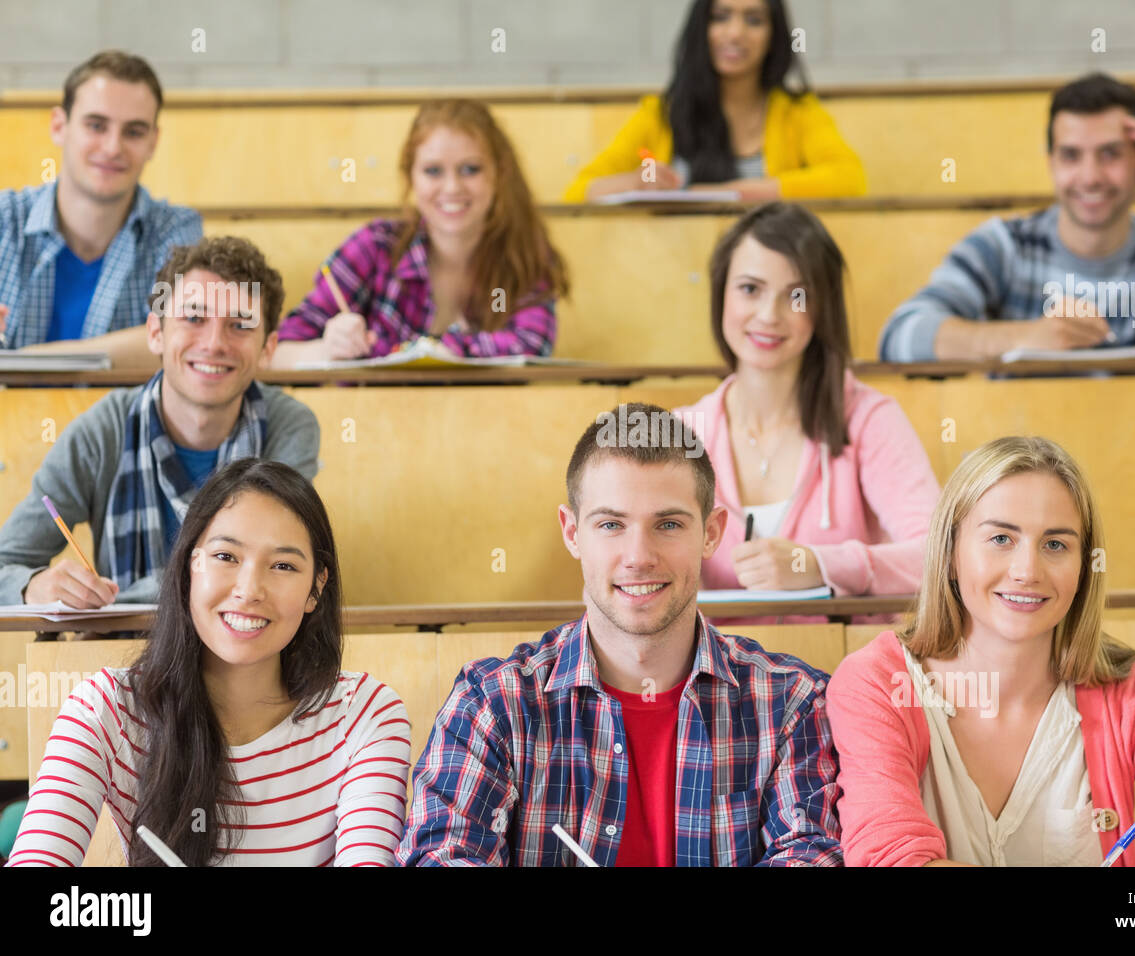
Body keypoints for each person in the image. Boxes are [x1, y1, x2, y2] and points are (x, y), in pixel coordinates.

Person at [398, 402, 841, 866]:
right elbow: (443, 855)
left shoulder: (792, 703)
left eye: (668, 524)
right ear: (572, 532)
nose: (638, 556)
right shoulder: (493, 704)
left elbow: (810, 854)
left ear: (711, 533)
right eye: (611, 524)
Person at [827, 436, 1135, 867]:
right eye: (1000, 539)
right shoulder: (876, 683)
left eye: (1055, 544)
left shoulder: (1127, 694)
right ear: (949, 554)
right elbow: (890, 859)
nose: (1027, 570)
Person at [6, 459, 411, 866]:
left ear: (315, 589)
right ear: (188, 567)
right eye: (225, 556)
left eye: (283, 566)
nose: (249, 590)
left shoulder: (366, 715)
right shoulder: (105, 710)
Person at [0, 236, 320, 608]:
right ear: (155, 333)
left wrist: (119, 603)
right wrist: (35, 586)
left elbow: (274, 575)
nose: (215, 343)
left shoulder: (291, 427)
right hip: (120, 658)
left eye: (240, 325)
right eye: (194, 318)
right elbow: (5, 565)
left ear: (268, 349)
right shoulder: (101, 431)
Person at [674, 203, 938, 618]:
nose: (768, 315)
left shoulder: (870, 418)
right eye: (749, 289)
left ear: (822, 308)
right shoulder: (681, 433)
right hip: (722, 676)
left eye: (796, 296)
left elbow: (938, 556)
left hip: (840, 670)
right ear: (721, 293)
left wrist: (818, 565)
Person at [878, 72, 1135, 363]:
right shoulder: (1004, 245)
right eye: (1070, 155)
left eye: (1110, 154)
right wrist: (1025, 337)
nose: (1090, 176)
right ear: (1050, 162)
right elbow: (900, 339)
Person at [271, 99, 569, 366]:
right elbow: (275, 354)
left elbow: (529, 348)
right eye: (433, 171)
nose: (452, 187)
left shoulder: (524, 256)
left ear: (499, 173)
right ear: (410, 176)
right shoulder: (374, 248)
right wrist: (325, 350)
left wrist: (429, 349)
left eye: (470, 169)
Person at [0, 50, 202, 366]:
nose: (112, 148)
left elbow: (178, 337)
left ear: (153, 142)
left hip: (120, 417)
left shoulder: (176, 230)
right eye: (96, 126)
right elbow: (159, 338)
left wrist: (19, 361)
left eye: (134, 132)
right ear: (59, 126)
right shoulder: (5, 218)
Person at [563, 0, 865, 202]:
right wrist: (637, 183)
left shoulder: (797, 113)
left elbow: (850, 180)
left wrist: (735, 193)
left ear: (774, 35)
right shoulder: (660, 113)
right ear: (701, 29)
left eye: (754, 20)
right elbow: (576, 194)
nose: (735, 33)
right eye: (720, 18)